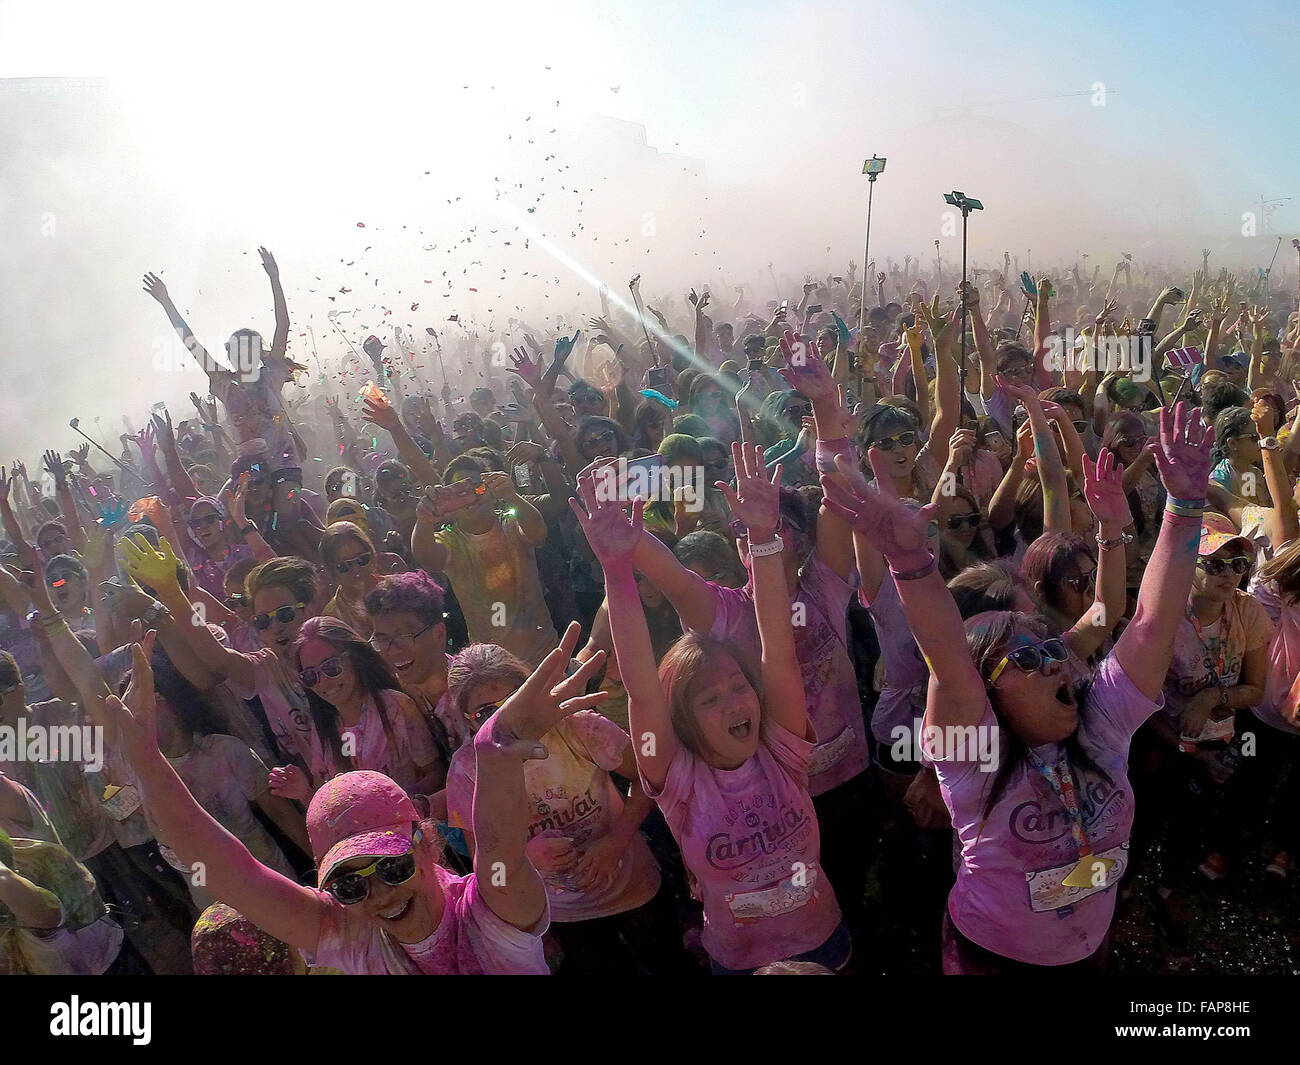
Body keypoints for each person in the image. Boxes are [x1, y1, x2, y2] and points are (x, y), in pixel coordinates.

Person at [819, 402, 1214, 971]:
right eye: (1027, 659)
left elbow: (1148, 622)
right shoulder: (976, 762)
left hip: (1089, 948)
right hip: (994, 957)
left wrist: (1184, 506)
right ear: (986, 692)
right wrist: (909, 560)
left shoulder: (1099, 729)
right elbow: (948, 657)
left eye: (1051, 650)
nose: (1056, 664)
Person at [106, 623, 607, 974]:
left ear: (428, 842)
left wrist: (493, 751)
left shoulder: (490, 913)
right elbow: (224, 868)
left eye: (391, 867)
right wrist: (144, 756)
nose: (379, 894)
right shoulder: (348, 934)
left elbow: (499, 847)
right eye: (349, 885)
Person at [574, 444, 849, 974]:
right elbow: (640, 690)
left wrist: (765, 539)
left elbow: (777, 648)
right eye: (710, 698)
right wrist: (616, 569)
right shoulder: (674, 780)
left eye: (739, 687)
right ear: (684, 717)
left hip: (825, 947)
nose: (735, 702)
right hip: (740, 964)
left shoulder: (783, 749)